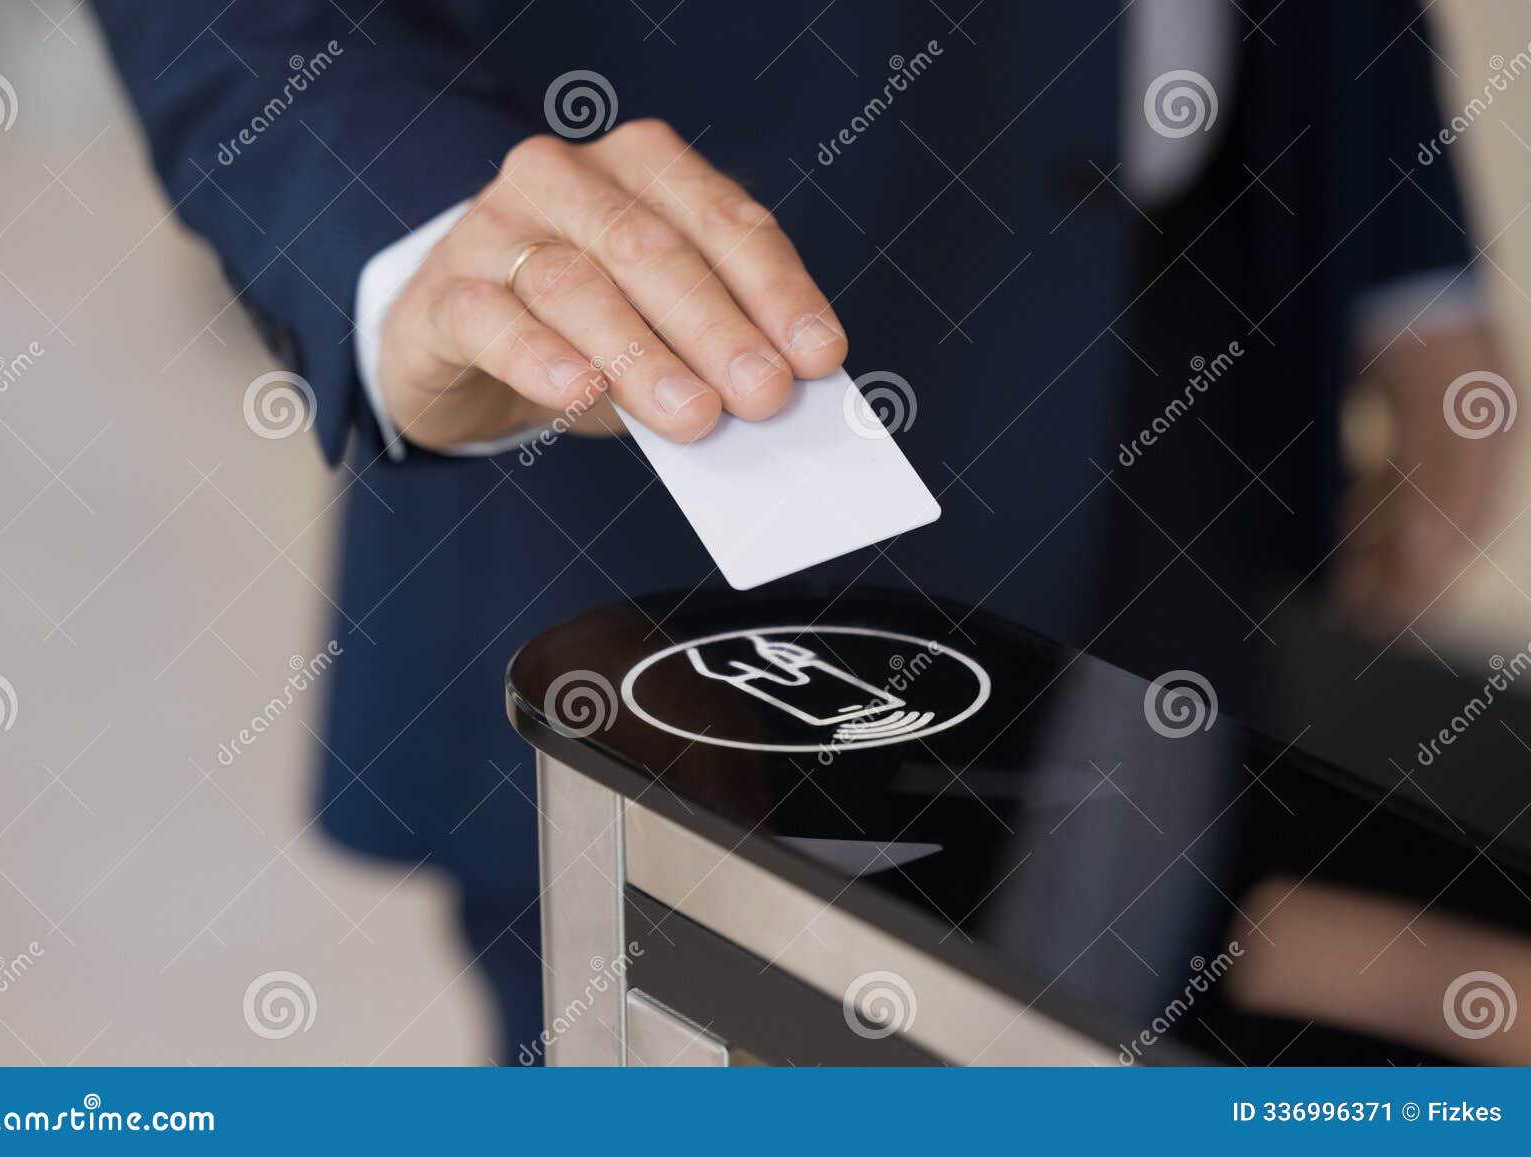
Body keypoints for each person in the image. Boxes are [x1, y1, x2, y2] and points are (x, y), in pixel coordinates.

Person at [90, 0, 1511, 1061]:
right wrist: (407, 225)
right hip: (664, 433)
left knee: (1137, 1020)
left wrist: (1405, 249)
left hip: (1181, 348)